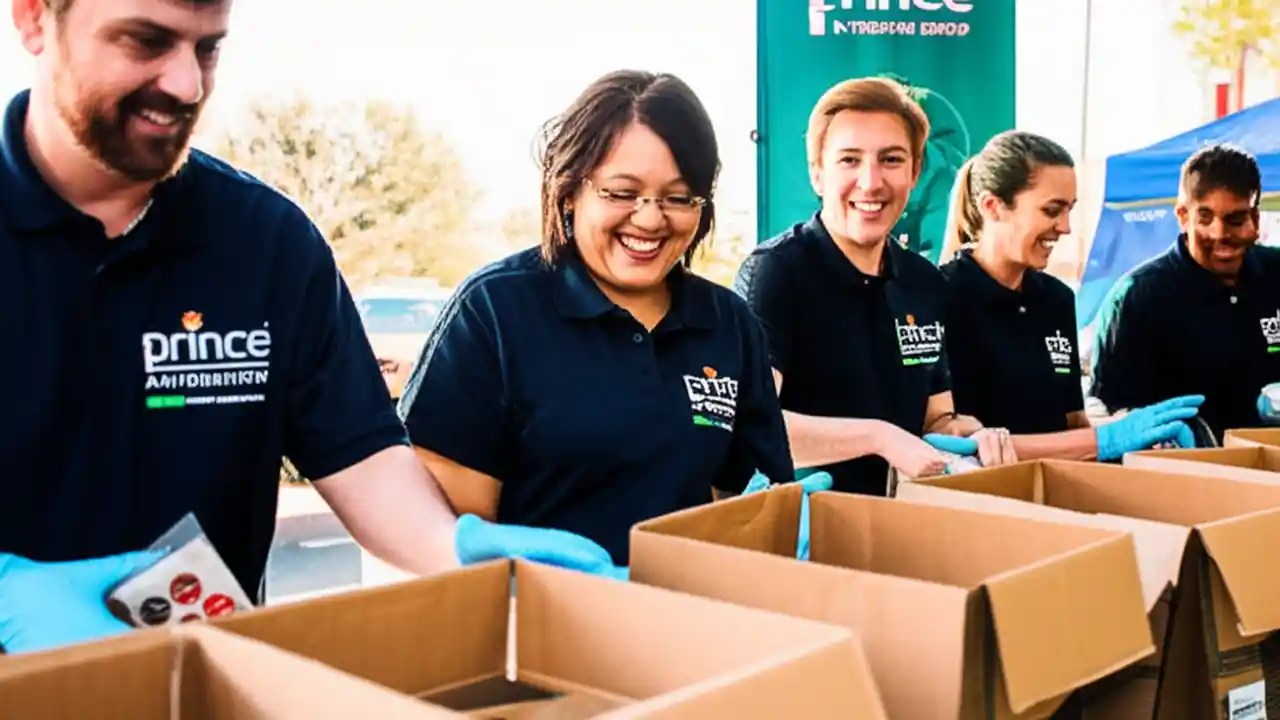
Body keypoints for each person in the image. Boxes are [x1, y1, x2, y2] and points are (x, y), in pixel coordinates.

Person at [0, 0, 605, 655]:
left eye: (208, 50)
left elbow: (360, 456)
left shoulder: (267, 244)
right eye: (146, 42)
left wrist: (451, 546)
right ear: (34, 18)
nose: (187, 85)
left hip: (201, 684)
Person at [398, 70, 798, 566]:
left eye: (678, 197)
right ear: (569, 191)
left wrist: (775, 526)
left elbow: (743, 499)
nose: (651, 219)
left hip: (690, 623)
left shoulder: (728, 325)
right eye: (621, 192)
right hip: (533, 625)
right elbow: (442, 527)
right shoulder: (495, 312)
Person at [733, 76, 1016, 497]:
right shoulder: (776, 273)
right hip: (798, 532)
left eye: (891, 160)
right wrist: (878, 437)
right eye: (849, 160)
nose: (870, 182)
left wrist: (976, 436)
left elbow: (936, 419)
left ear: (916, 172)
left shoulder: (922, 281)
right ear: (817, 173)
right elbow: (752, 425)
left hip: (898, 525)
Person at [936, 130, 1204, 461]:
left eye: (1069, 210)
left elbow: (1070, 421)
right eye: (1052, 210)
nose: (1065, 227)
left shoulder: (1056, 299)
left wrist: (1129, 431)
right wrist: (1103, 439)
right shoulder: (937, 297)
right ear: (993, 206)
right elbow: (948, 443)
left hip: (1052, 495)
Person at [1090, 143, 1280, 444]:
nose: (1220, 235)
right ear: (1182, 215)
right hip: (1183, 477)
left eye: (1235, 220)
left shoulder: (1276, 274)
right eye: (1205, 218)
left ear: (1255, 221)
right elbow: (1111, 412)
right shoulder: (1138, 297)